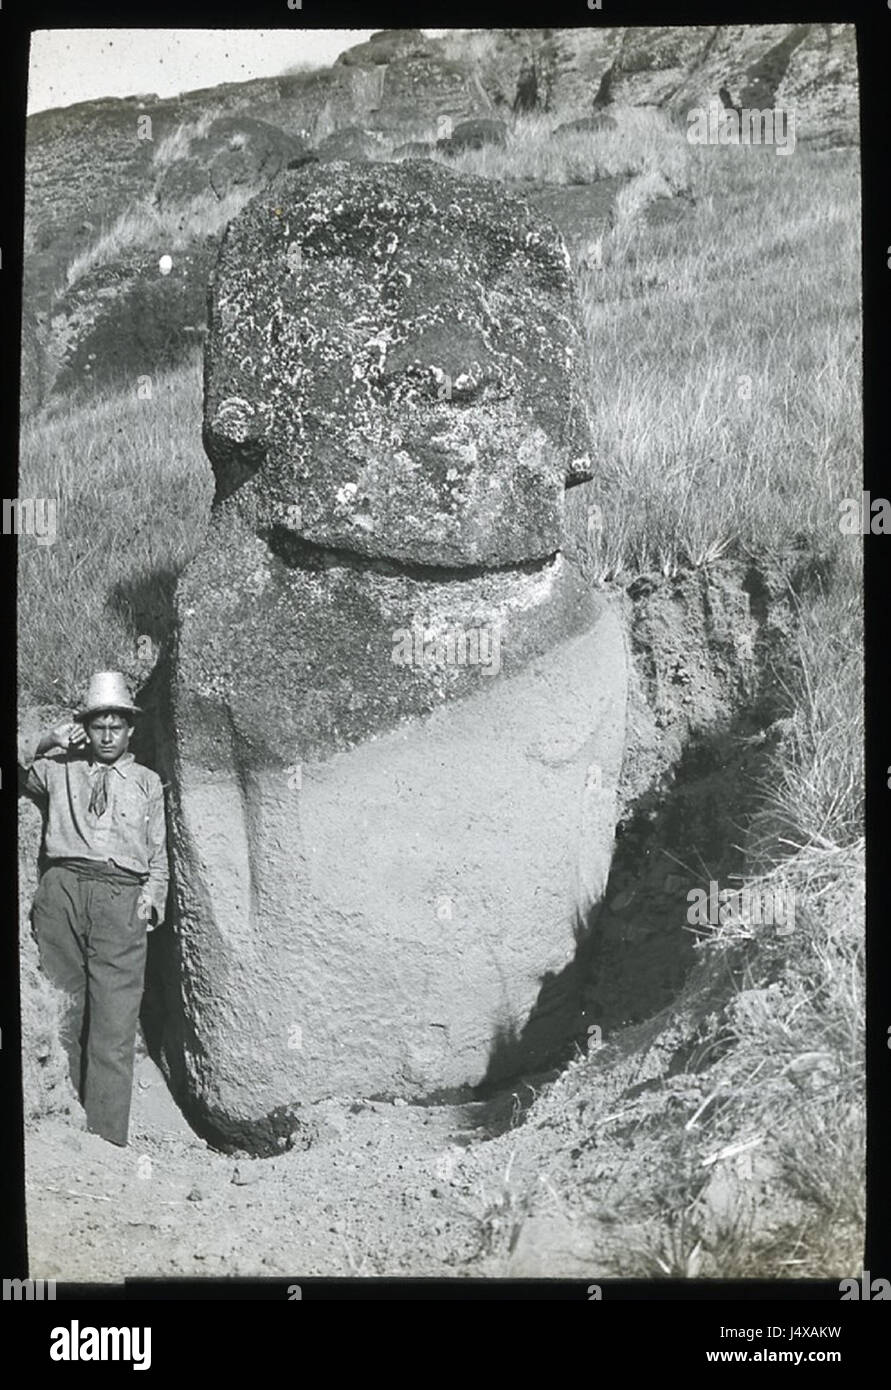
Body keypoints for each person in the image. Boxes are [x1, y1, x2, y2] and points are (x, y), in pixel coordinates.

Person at [19, 671, 169, 1147]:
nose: (107, 735)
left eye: (116, 726)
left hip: (121, 897)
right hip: (62, 891)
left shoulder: (147, 783)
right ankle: (66, 1131)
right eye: (98, 725)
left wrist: (152, 899)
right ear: (86, 726)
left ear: (130, 731)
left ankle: (105, 1143)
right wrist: (47, 738)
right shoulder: (59, 767)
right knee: (65, 1013)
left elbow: (159, 852)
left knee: (114, 1024)